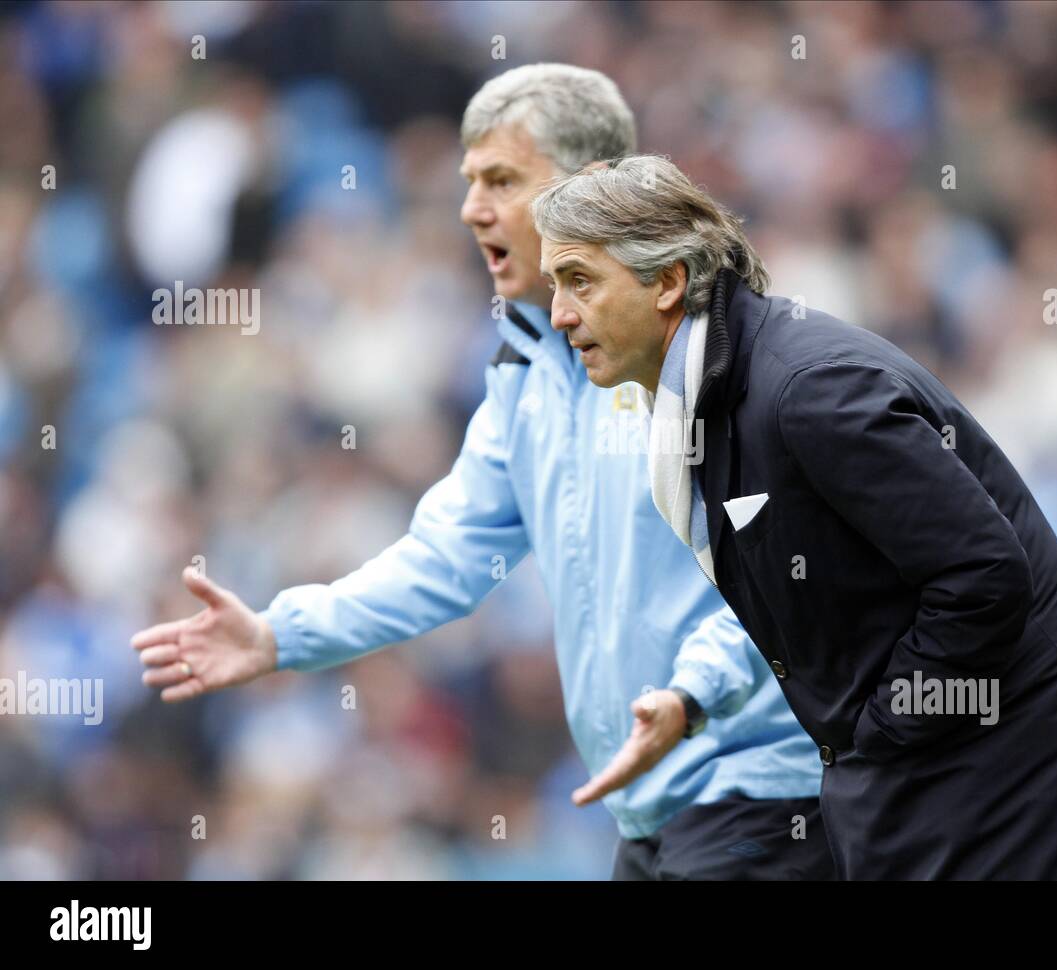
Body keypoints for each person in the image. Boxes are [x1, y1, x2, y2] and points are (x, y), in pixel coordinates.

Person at [131, 67, 832, 881]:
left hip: (758, 794)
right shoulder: (523, 372)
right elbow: (446, 559)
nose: (471, 208)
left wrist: (694, 696)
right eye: (469, 182)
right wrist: (280, 633)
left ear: (587, 185)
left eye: (501, 180)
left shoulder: (700, 355)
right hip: (650, 804)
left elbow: (789, 576)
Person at [531, 153, 1057, 879]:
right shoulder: (721, 396)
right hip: (972, 793)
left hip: (1047, 798)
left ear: (668, 281)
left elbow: (983, 574)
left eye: (579, 281)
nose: (560, 313)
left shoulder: (807, 390)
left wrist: (880, 732)